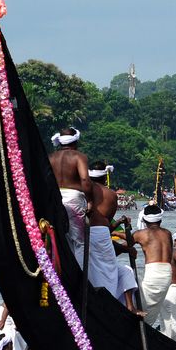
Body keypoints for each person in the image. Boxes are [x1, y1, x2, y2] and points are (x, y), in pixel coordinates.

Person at [86, 162, 139, 312]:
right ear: (104, 177)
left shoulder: (83, 191)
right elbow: (106, 227)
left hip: (84, 232)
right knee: (107, 269)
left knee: (93, 268)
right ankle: (109, 304)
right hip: (101, 233)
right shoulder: (110, 195)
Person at [48, 127, 93, 255]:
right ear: (75, 142)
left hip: (56, 198)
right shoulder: (79, 157)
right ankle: (80, 274)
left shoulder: (51, 157)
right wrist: (90, 201)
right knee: (79, 242)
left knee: (60, 240)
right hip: (74, 198)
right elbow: (85, 179)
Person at [128, 205, 173, 326]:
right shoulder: (168, 233)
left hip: (154, 273)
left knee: (127, 276)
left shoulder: (142, 234)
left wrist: (115, 231)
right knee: (150, 306)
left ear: (145, 221)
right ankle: (145, 325)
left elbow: (128, 241)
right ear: (160, 220)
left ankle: (139, 324)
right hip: (167, 273)